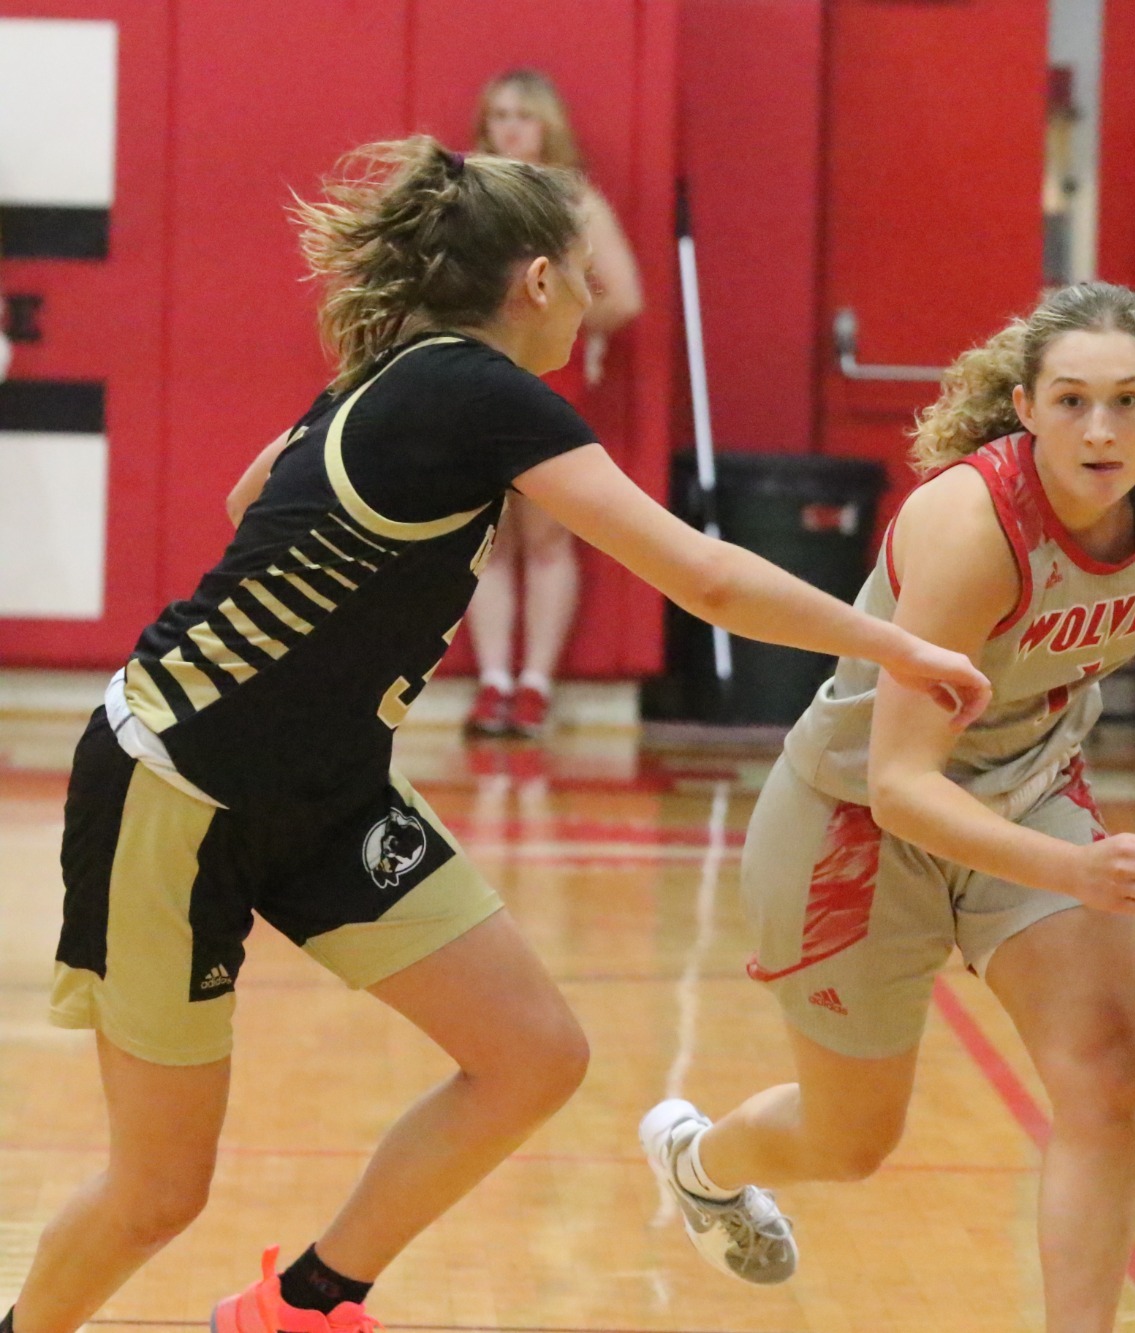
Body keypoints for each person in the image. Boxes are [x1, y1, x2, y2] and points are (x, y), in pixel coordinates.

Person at [4, 136, 987, 1333]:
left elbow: (248, 495)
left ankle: (298, 1309)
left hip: (325, 790)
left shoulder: (402, 379)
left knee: (531, 1054)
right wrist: (898, 646)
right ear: (536, 279)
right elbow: (706, 578)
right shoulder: (475, 392)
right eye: (582, 272)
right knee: (158, 1191)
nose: (588, 297)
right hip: (179, 782)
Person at [636, 282, 1135, 1332]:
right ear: (1025, 407)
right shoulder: (972, 528)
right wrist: (1072, 871)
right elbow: (902, 784)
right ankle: (701, 1160)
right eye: (1071, 401)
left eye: (1127, 400)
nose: (1100, 429)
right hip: (856, 824)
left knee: (1105, 1081)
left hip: (1027, 783)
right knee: (851, 1141)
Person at [462, 69, 644, 740]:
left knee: (546, 534)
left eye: (524, 115)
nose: (510, 128)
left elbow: (624, 296)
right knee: (483, 535)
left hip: (546, 380)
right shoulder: (471, 194)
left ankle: (535, 683)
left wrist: (555, 316)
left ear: (548, 126)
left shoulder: (574, 201)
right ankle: (493, 681)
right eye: (499, 114)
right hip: (478, 375)